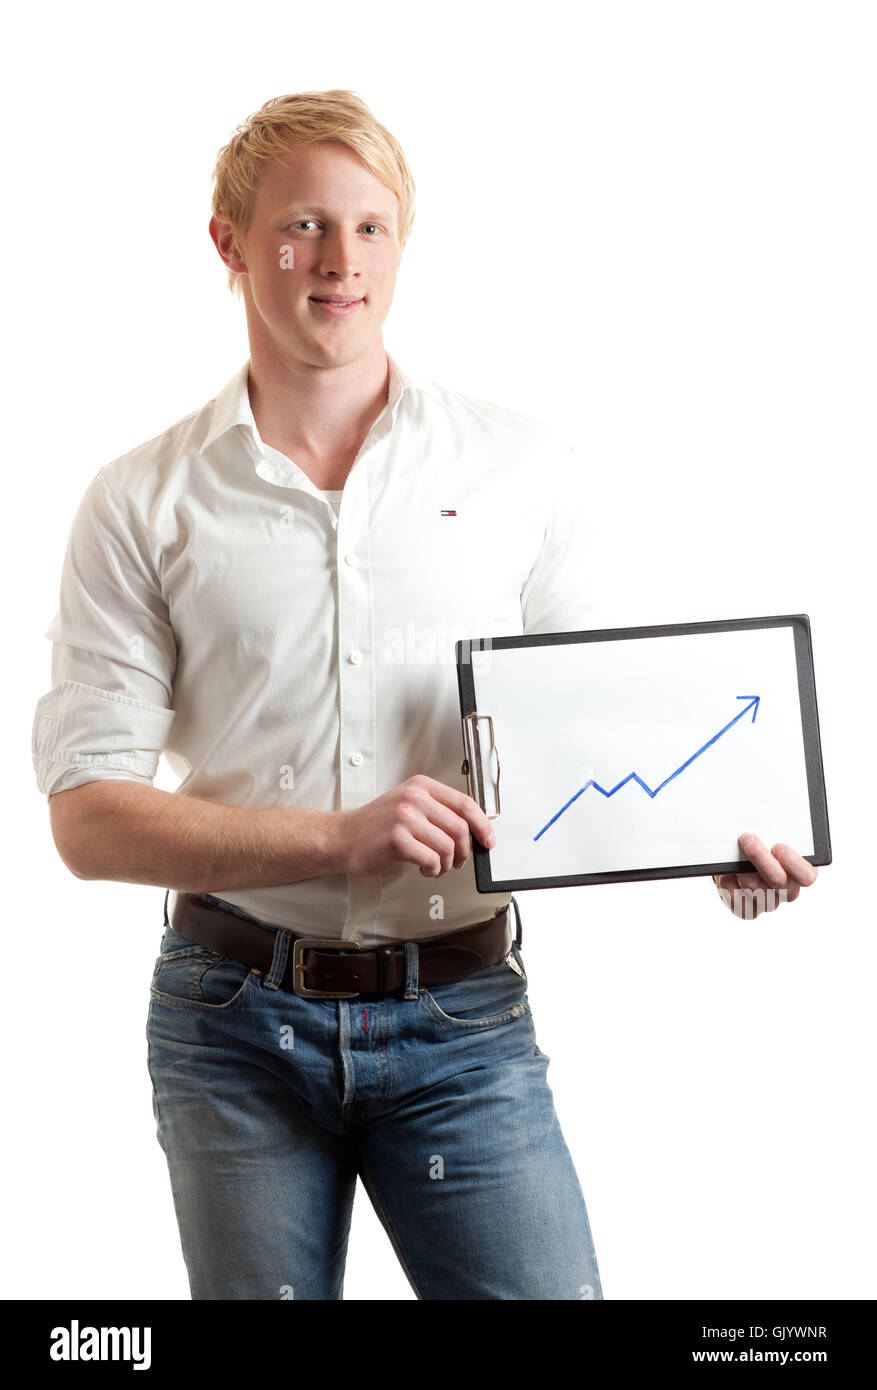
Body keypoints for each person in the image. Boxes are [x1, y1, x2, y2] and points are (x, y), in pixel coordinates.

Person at [32, 89, 819, 1301]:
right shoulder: (141, 502)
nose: (339, 263)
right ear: (229, 243)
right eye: (301, 227)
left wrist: (714, 841)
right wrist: (337, 836)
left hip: (460, 1015)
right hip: (229, 1022)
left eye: (371, 227)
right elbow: (87, 817)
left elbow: (594, 737)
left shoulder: (519, 468)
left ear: (403, 244)